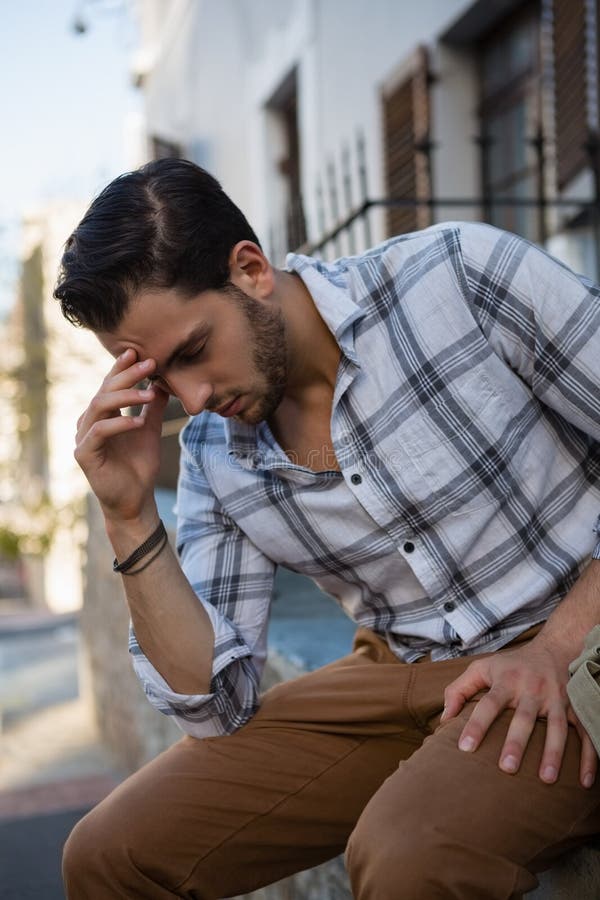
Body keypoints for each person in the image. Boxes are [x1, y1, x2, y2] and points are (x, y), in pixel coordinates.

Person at [55, 157, 600, 899]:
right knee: (108, 854)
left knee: (409, 857)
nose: (193, 396)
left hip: (575, 637)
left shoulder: (461, 277)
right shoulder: (216, 453)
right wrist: (128, 513)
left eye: (192, 352)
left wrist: (556, 647)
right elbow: (216, 705)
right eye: (159, 380)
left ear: (249, 270)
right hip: (402, 672)